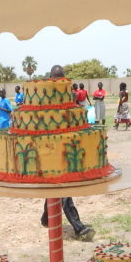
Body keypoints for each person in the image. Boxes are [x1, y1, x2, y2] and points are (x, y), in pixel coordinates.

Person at [39, 65, 94, 241]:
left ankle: (46, 217)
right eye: (56, 78)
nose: (58, 81)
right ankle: (78, 227)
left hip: (65, 149)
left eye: (60, 78)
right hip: (49, 151)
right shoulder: (44, 98)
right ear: (51, 78)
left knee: (56, 187)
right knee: (62, 189)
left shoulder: (68, 96)